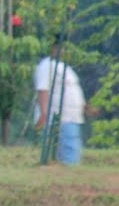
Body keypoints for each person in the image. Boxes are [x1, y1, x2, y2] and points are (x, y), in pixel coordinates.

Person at [34, 37, 86, 165]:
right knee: (67, 149)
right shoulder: (46, 66)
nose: (61, 51)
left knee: (72, 149)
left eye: (63, 48)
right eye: (58, 48)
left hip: (73, 116)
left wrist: (85, 108)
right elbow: (43, 89)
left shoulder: (64, 67)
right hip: (59, 117)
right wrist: (44, 113)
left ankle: (69, 169)